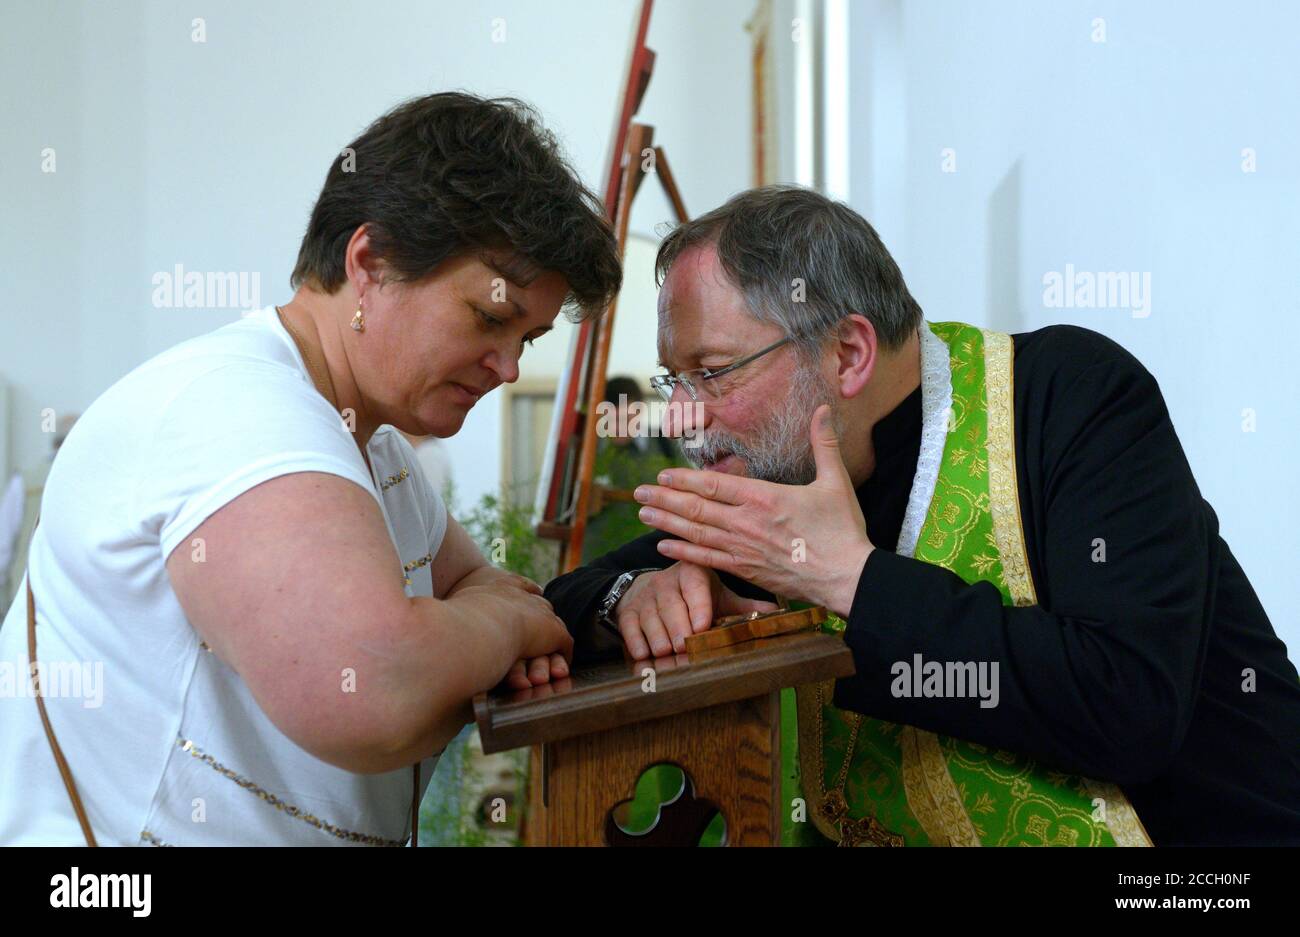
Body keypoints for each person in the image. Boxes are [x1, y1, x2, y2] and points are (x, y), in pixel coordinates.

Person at [544, 185, 1300, 846]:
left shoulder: (1074, 397)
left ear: (847, 354)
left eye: (711, 374)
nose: (683, 418)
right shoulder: (772, 482)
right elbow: (564, 600)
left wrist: (852, 579)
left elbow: (1132, 707)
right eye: (674, 380)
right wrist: (630, 598)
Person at [0, 92, 621, 845]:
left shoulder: (373, 447)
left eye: (529, 338)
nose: (509, 366)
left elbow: (483, 588)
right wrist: (498, 628)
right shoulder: (238, 409)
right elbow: (375, 694)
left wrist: (464, 634)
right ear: (371, 263)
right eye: (491, 318)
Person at [581, 375, 682, 563]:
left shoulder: (666, 444)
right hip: (595, 560)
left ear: (640, 409)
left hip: (653, 557)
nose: (620, 428)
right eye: (611, 420)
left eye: (626, 419)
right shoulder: (584, 454)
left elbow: (688, 496)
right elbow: (559, 509)